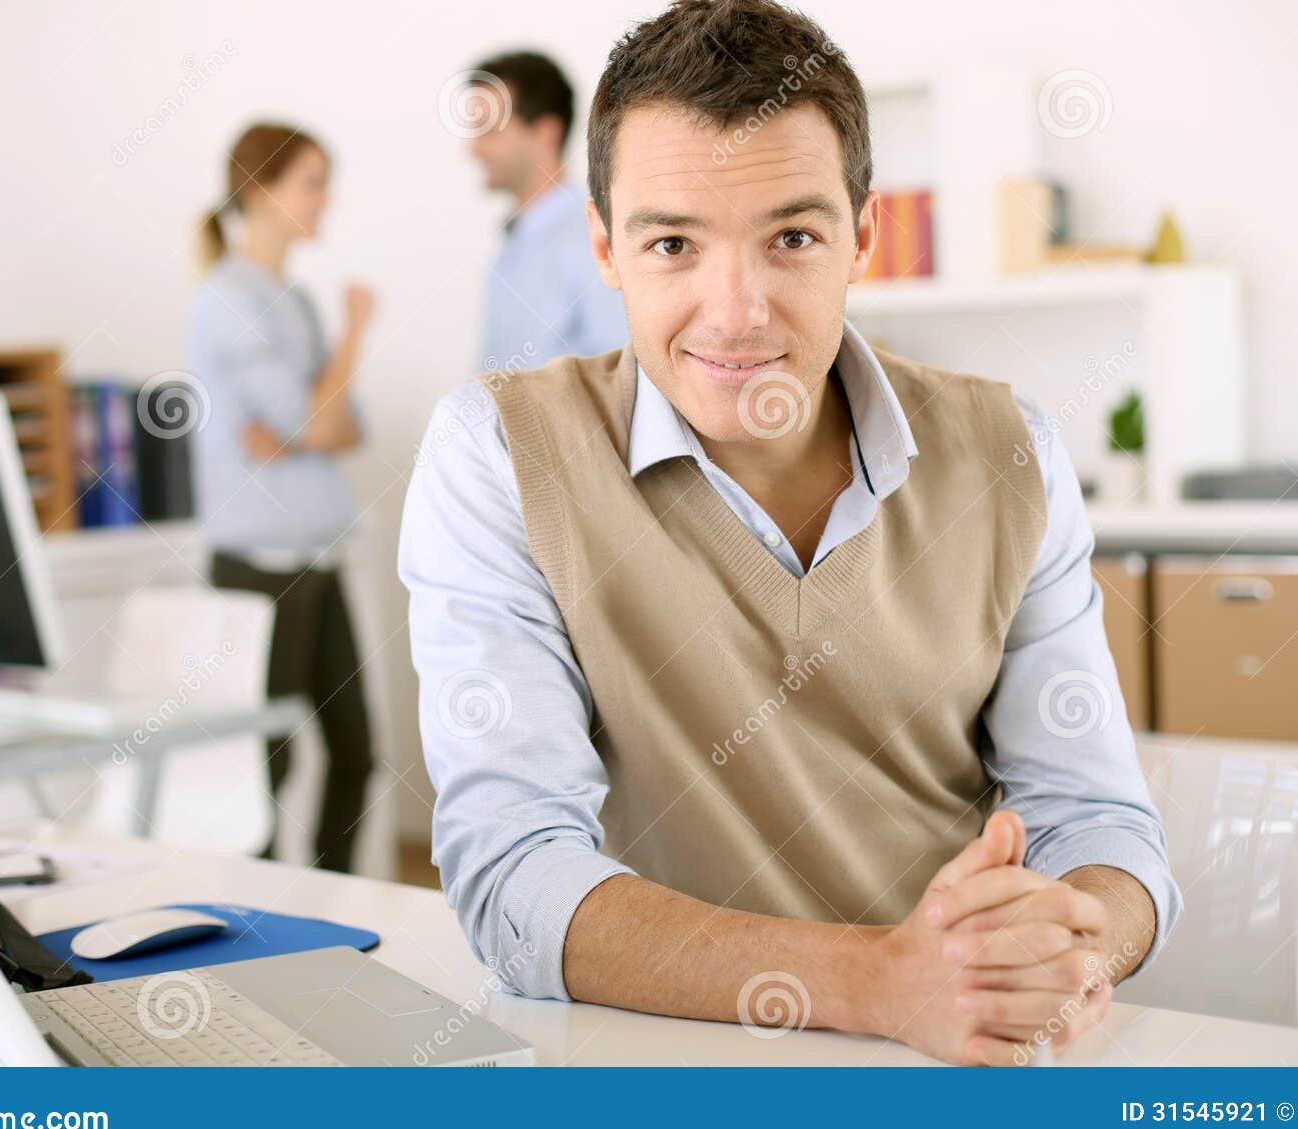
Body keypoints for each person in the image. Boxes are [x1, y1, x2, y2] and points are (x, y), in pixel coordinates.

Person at [400, 0, 1182, 1065]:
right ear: (605, 247)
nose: (735, 313)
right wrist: (880, 982)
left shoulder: (1010, 450)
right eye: (672, 242)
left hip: (957, 1062)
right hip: (649, 1064)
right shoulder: (497, 452)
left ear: (862, 236)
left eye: (792, 237)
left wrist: (1073, 936)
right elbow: (514, 875)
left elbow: (1099, 820)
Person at [190, 122, 375, 873]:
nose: (326, 196)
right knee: (265, 767)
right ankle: (258, 921)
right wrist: (356, 334)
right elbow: (317, 419)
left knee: (357, 751)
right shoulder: (228, 298)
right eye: (312, 180)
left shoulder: (292, 301)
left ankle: (337, 902)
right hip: (258, 568)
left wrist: (304, 424)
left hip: (316, 557)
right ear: (262, 191)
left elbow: (341, 427)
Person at [462, 50, 628, 370]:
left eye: (488, 130)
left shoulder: (590, 241)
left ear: (545, 133)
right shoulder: (516, 243)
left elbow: (619, 377)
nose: (473, 148)